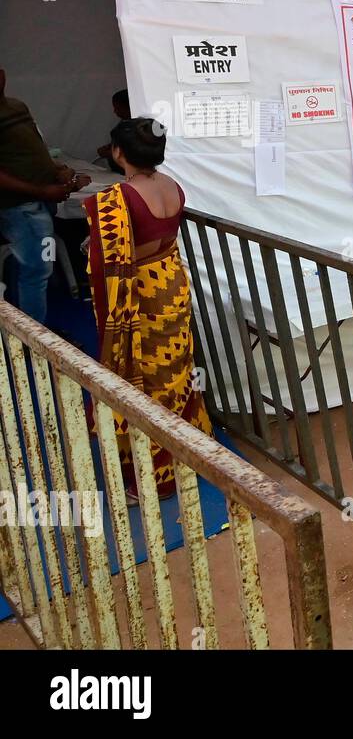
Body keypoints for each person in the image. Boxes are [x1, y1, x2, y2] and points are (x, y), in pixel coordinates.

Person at [85, 118, 211, 500]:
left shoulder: (117, 199)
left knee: (142, 377)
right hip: (171, 284)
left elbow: (105, 262)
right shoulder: (173, 186)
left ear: (119, 153)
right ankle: (190, 446)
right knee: (175, 367)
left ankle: (151, 475)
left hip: (139, 295)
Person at [0, 67, 90, 324]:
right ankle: (34, 342)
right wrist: (41, 190)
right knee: (37, 270)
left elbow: (34, 148)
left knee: (37, 269)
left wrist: (57, 171)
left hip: (41, 201)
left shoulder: (16, 107)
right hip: (20, 206)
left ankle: (32, 331)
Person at [94, 89, 131, 174]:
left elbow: (134, 152)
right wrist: (110, 146)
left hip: (127, 173)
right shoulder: (124, 122)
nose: (114, 111)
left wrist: (111, 153)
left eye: (117, 108)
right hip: (118, 171)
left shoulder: (138, 127)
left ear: (128, 107)